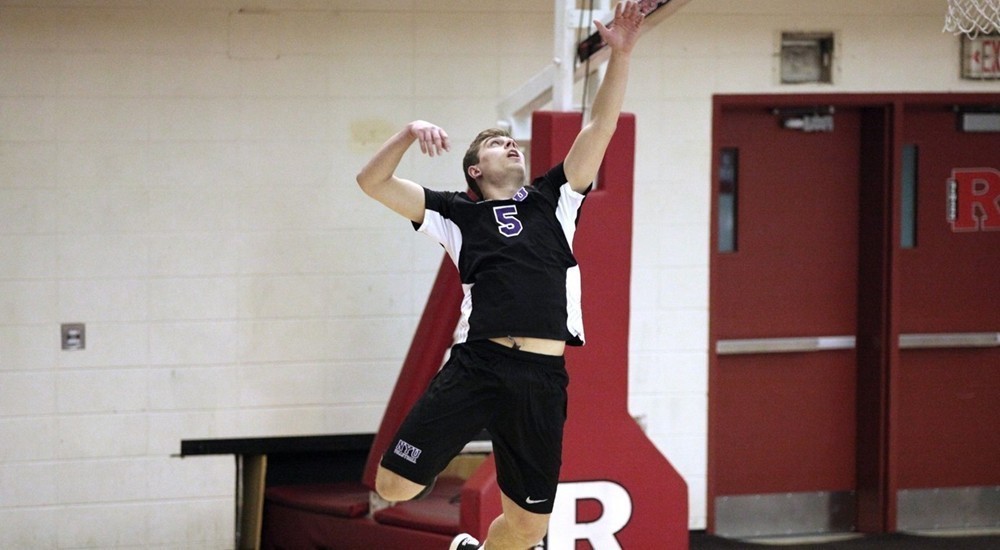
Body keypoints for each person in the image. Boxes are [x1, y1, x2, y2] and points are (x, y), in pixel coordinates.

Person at [355, 2, 645, 548]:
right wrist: (406, 133)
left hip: (540, 379)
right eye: (495, 144)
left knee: (528, 527)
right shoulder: (453, 213)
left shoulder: (553, 200)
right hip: (480, 365)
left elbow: (601, 125)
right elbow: (371, 183)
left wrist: (622, 55)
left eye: (511, 142)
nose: (509, 144)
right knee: (394, 487)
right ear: (474, 169)